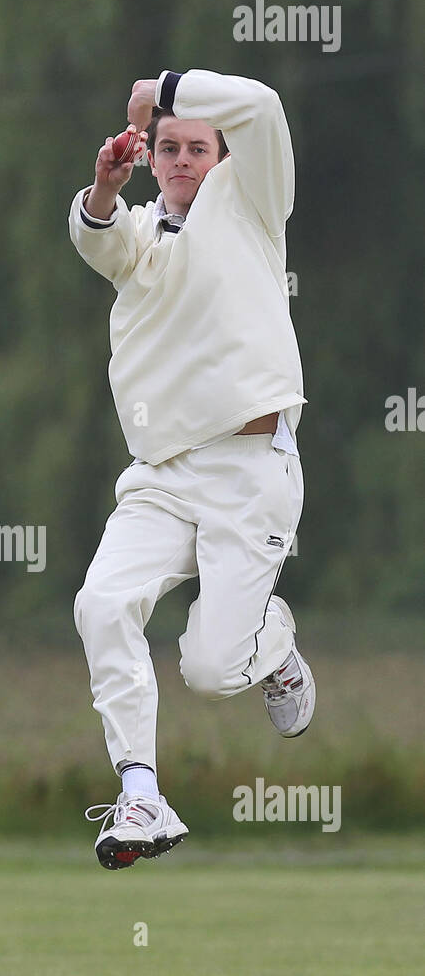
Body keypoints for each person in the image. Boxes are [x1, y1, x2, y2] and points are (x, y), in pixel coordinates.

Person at [69, 69, 315, 870]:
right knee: (101, 604)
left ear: (222, 154)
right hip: (163, 476)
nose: (180, 159)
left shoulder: (251, 204)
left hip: (250, 469)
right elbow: (93, 236)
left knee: (211, 669)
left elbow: (265, 106)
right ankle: (140, 789)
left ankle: (272, 647)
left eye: (196, 147)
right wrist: (105, 187)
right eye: (167, 148)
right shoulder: (137, 234)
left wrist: (160, 89)